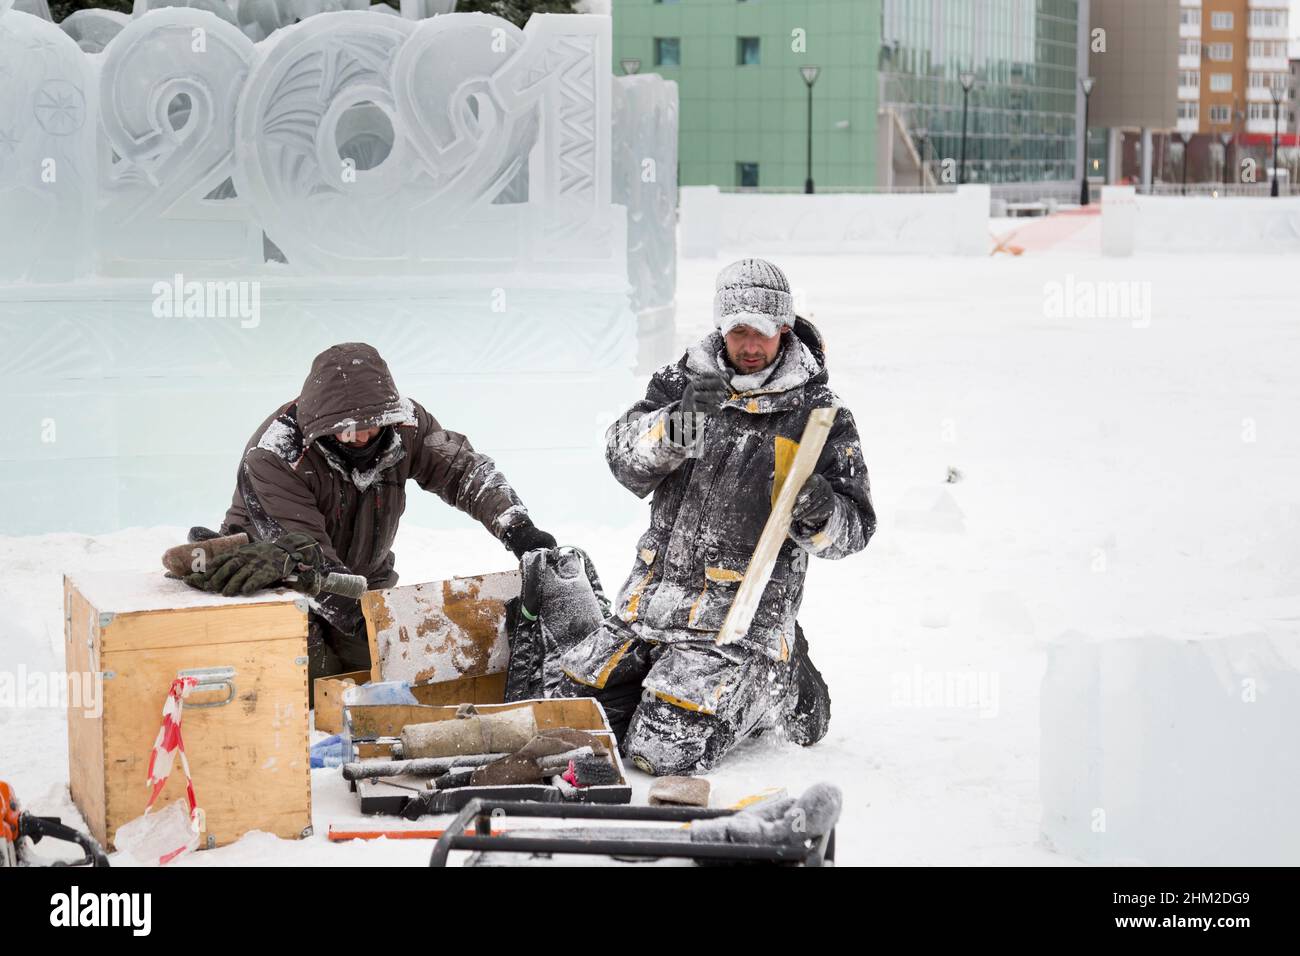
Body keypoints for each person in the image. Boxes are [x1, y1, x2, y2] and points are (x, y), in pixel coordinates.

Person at [556, 258, 876, 776]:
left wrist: (823, 515)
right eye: (739, 331)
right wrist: (675, 428)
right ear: (721, 329)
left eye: (764, 333)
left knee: (659, 753)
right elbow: (623, 460)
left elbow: (855, 528)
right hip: (650, 609)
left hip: (739, 621)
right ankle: (666, 679)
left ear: (785, 331)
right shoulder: (684, 381)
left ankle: (784, 682)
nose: (750, 346)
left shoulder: (818, 413)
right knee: (568, 724)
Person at [187, 342, 556, 698]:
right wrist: (372, 623)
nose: (362, 436)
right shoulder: (276, 455)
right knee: (312, 689)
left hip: (365, 577)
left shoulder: (406, 425)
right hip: (286, 582)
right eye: (349, 428)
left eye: (372, 425)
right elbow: (309, 558)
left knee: (386, 682)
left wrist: (517, 527)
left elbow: (463, 471)